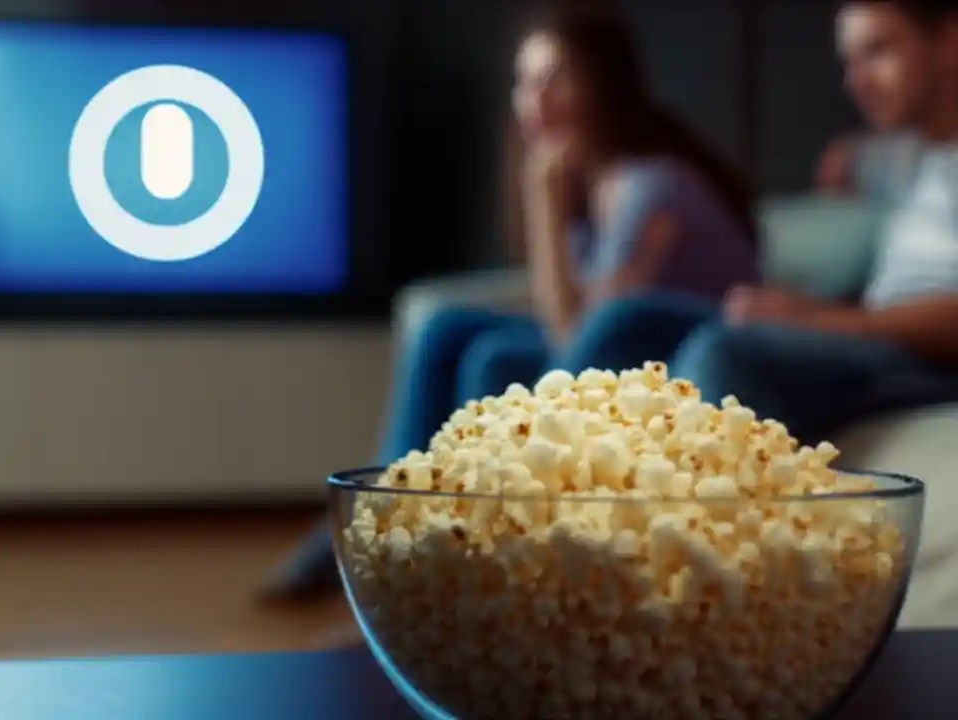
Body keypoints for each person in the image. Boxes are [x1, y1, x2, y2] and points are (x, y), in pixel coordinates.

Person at [263, 5, 760, 600]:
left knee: (500, 358)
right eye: (525, 82)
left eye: (559, 78)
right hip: (611, 347)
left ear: (605, 86)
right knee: (459, 335)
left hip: (678, 357)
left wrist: (542, 203)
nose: (537, 100)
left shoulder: (653, 189)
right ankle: (399, 523)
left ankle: (425, 542)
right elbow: (572, 329)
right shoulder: (592, 186)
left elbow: (580, 335)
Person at [664, 0, 958, 441]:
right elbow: (848, 160)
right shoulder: (911, 155)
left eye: (878, 51)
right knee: (642, 323)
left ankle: (692, 505)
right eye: (849, 62)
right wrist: (851, 155)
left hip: (929, 361)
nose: (857, 82)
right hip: (879, 341)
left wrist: (813, 316)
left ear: (949, 40)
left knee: (725, 352)